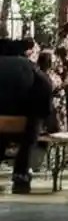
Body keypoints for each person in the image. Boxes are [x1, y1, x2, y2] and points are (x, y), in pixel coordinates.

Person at [0, 39, 53, 194]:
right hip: (23, 119)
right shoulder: (27, 65)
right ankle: (21, 172)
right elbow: (45, 86)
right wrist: (46, 115)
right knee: (31, 132)